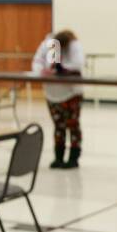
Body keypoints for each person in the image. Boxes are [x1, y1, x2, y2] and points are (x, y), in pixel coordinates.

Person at [31, 29, 84, 169]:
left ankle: (73, 158)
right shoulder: (48, 44)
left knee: (73, 126)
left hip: (71, 93)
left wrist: (61, 69)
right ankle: (58, 157)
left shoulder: (74, 45)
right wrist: (43, 70)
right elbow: (37, 63)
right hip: (52, 94)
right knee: (58, 126)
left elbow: (78, 63)